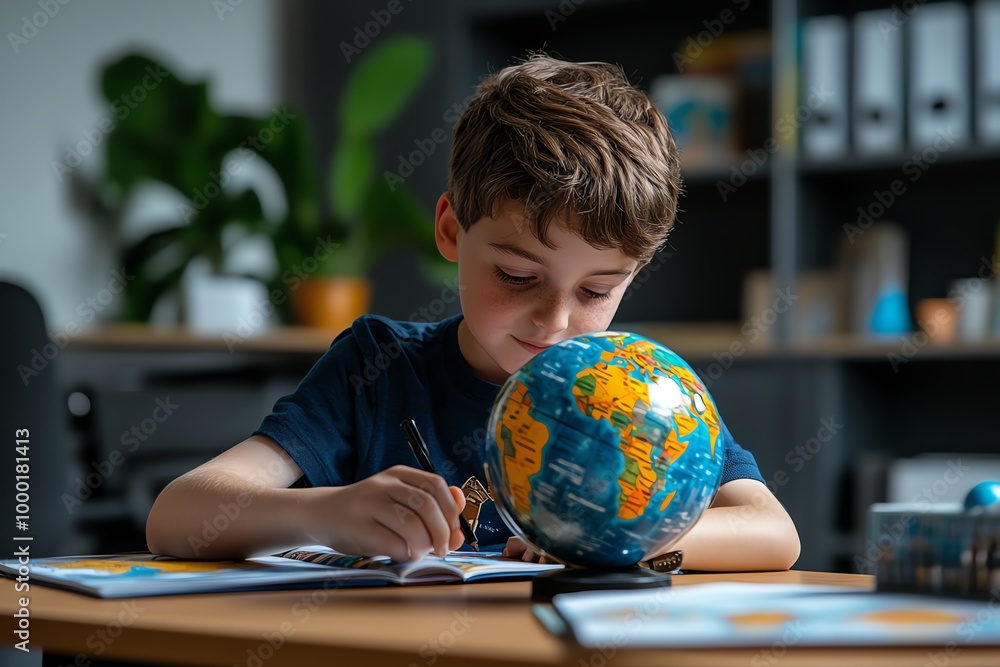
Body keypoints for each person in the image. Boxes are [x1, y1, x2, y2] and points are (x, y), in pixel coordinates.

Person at [146, 55, 800, 571]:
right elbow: (177, 514)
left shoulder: (643, 393)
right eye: (518, 276)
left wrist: (626, 539)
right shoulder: (377, 366)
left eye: (597, 291)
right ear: (453, 231)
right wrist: (326, 511)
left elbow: (773, 533)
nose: (555, 320)